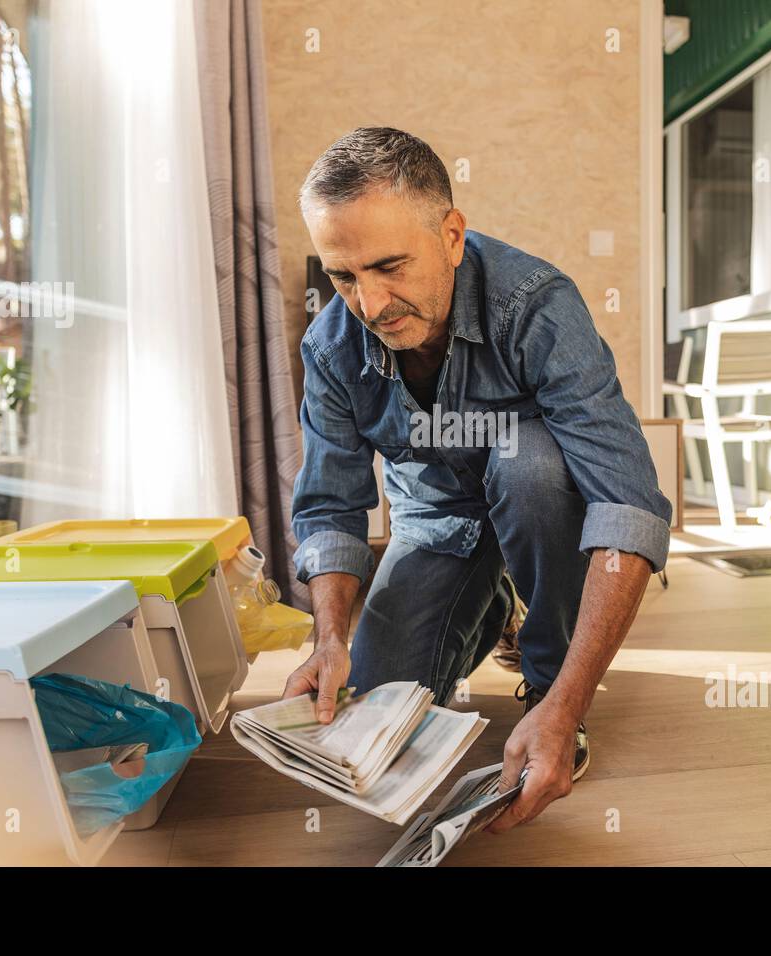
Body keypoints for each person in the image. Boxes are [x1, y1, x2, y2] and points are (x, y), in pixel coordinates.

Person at [283, 127, 671, 830]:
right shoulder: (331, 345)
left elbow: (629, 507)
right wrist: (330, 639)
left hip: (537, 499)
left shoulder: (538, 304)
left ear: (452, 235)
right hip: (436, 522)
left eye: (390, 266)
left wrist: (568, 703)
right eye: (344, 277)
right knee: (378, 706)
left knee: (528, 465)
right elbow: (329, 508)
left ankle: (545, 679)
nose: (369, 305)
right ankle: (491, 608)